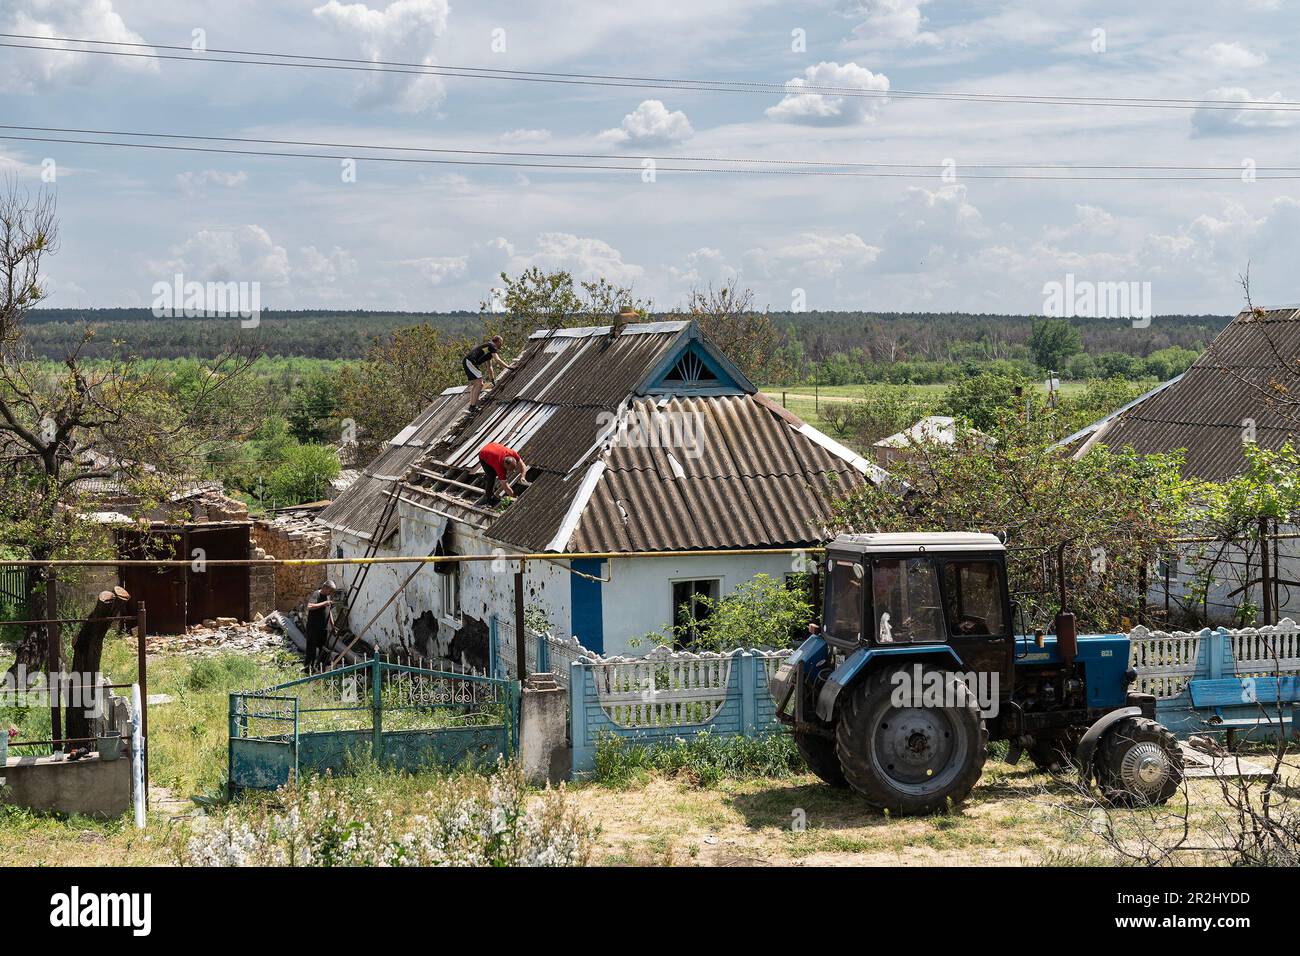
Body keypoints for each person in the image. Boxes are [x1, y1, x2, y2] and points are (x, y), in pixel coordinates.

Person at [463, 335, 512, 405]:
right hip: (470, 362)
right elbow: (498, 360)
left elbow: (489, 367)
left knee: (476, 384)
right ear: (498, 341)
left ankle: (472, 404)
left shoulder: (488, 348)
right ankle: (473, 406)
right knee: (480, 384)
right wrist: (509, 367)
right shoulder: (492, 346)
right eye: (501, 343)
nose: (501, 346)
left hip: (468, 362)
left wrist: (492, 380)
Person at [304, 580, 337, 668]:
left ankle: (320, 669)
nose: (331, 593)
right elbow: (310, 606)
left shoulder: (327, 597)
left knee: (324, 650)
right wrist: (324, 603)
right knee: (311, 650)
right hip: (313, 628)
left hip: (323, 629)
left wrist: (333, 626)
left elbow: (329, 612)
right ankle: (308, 670)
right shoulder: (316, 594)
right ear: (325, 588)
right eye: (330, 591)